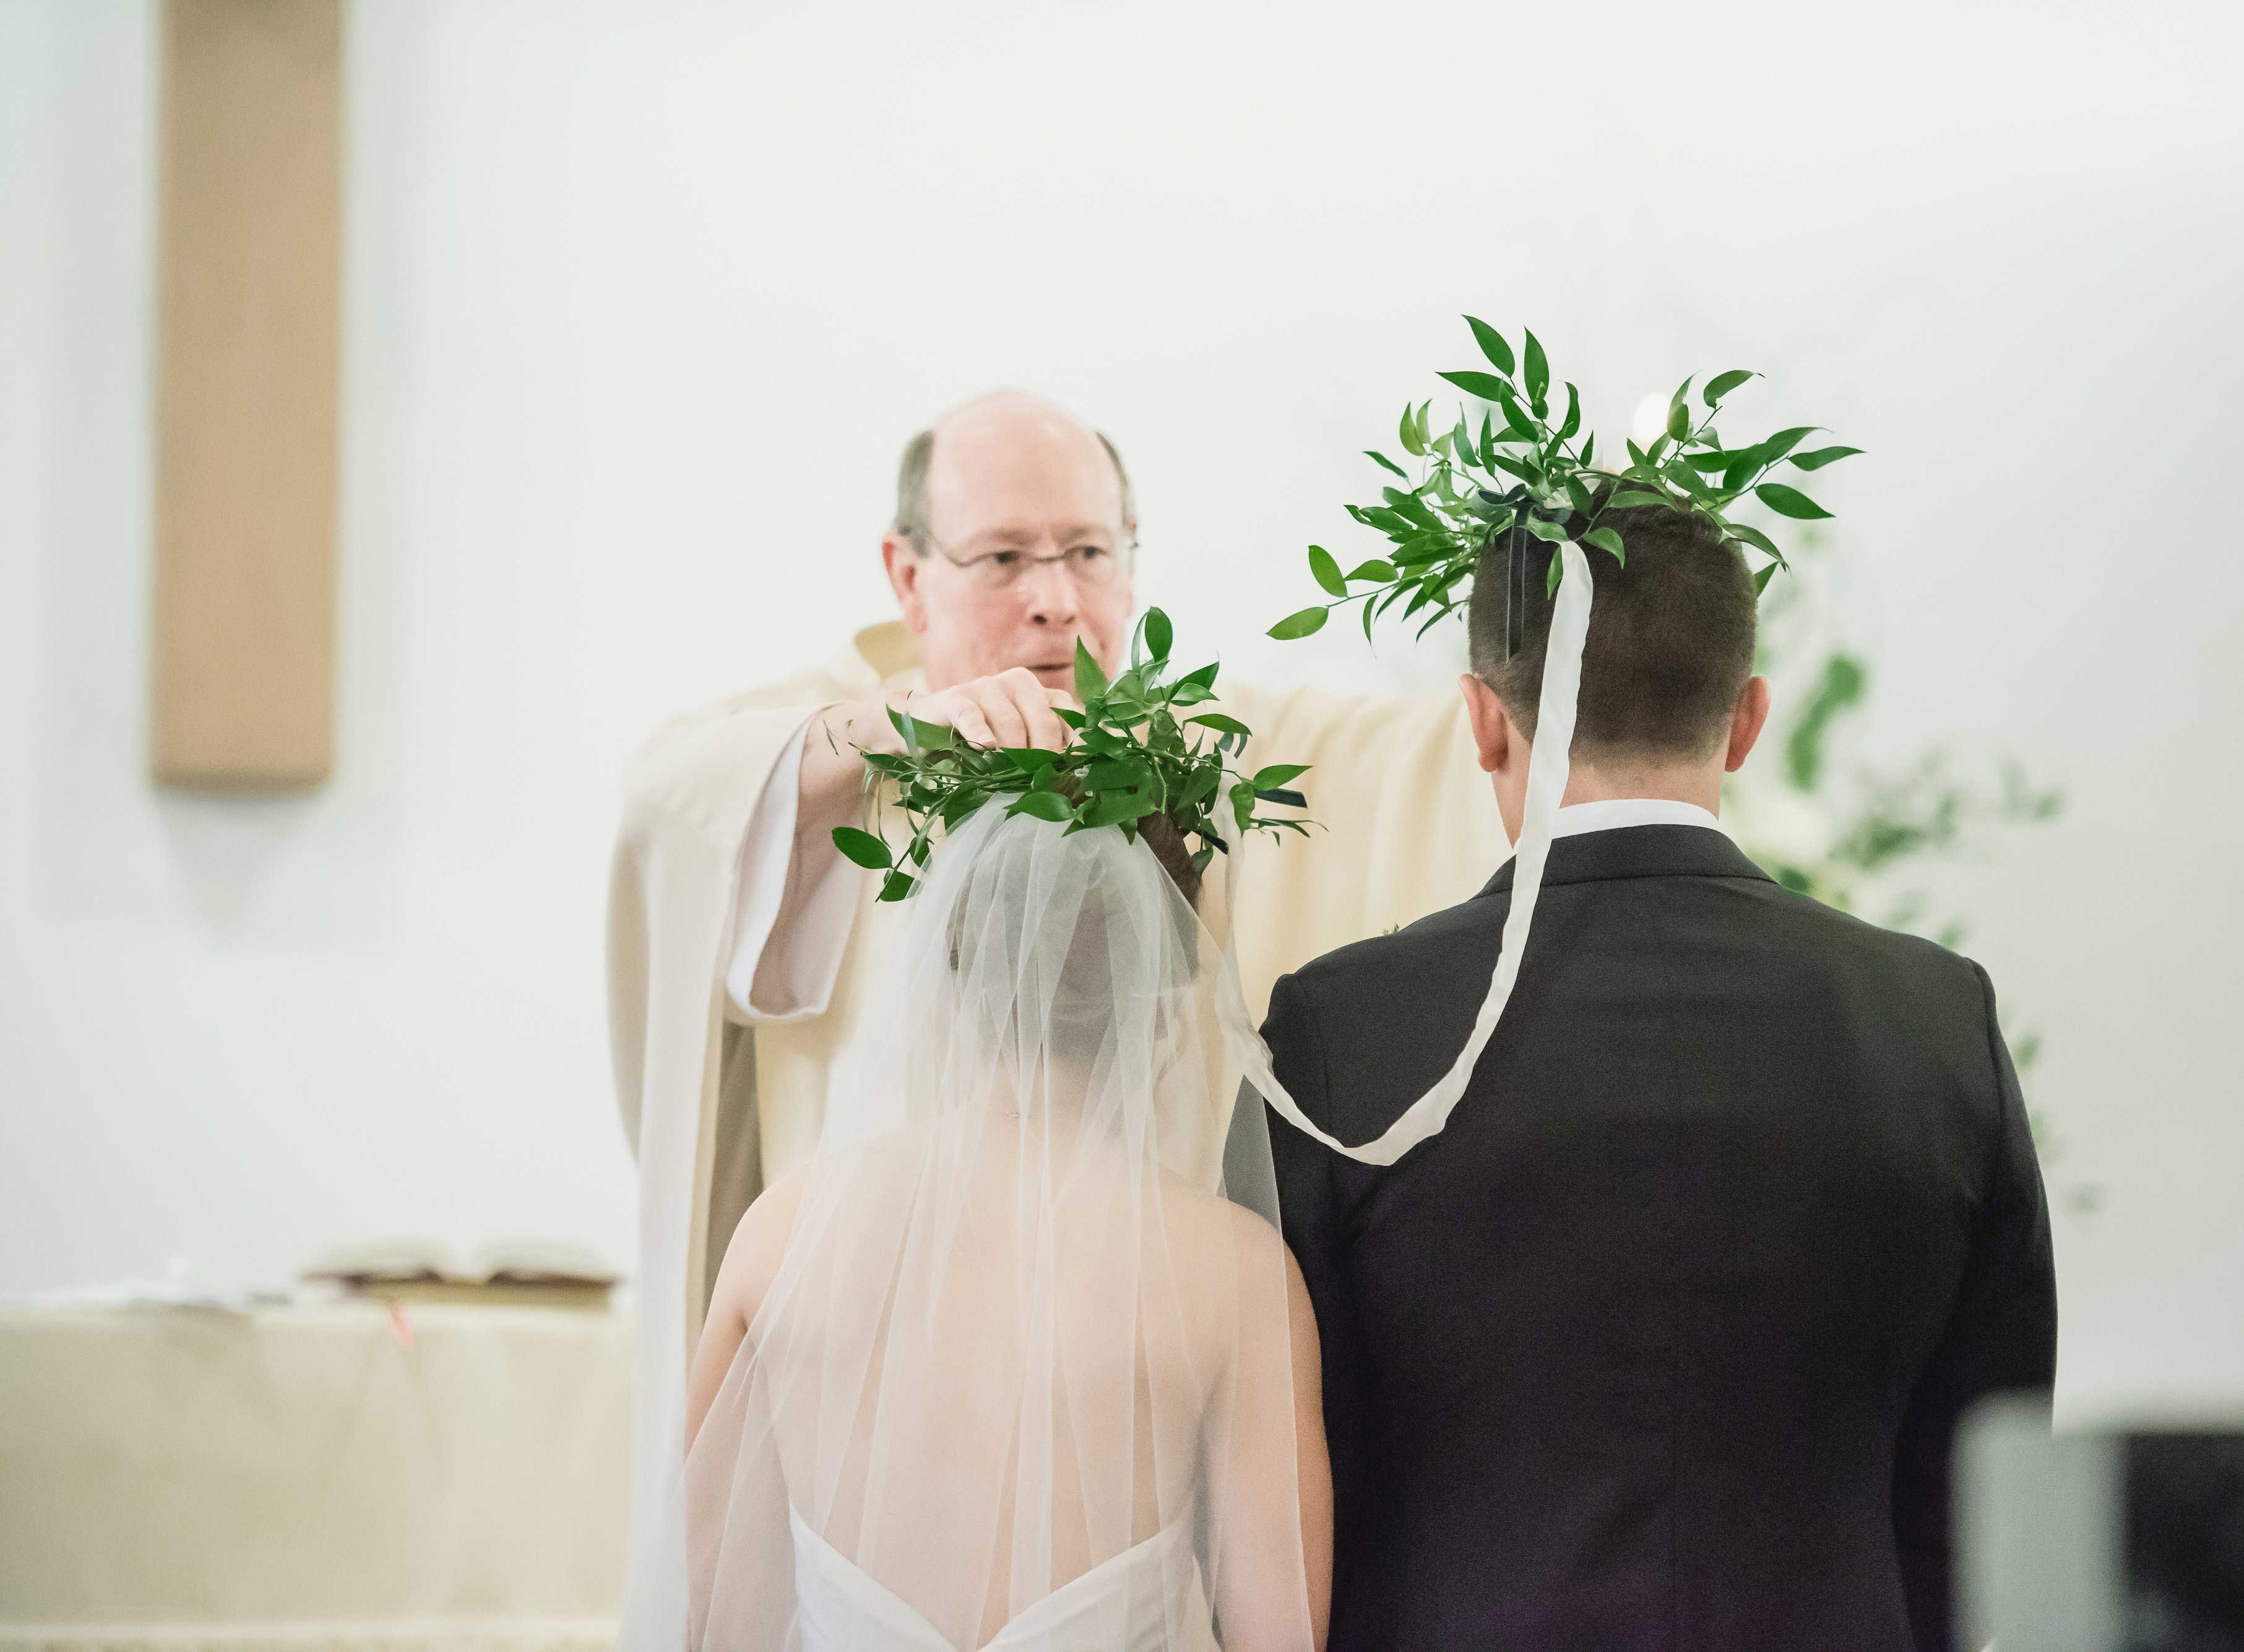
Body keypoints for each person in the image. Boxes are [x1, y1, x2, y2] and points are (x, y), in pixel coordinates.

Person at [606, 390, 1499, 1624]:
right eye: (1004, 559)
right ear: (904, 576)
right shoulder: (839, 738)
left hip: (1129, 1372)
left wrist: (1564, 651)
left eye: (1089, 551)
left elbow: (1436, 757)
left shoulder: (1205, 743)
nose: (1055, 598)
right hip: (859, 1392)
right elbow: (666, 802)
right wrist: (893, 732)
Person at [1261, 503, 2058, 1651]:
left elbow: (1297, 1467)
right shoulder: (1937, 1019)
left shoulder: (1344, 1028)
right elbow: (1990, 1478)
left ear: (1482, 721)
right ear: (1747, 719)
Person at [624, 803, 1332, 1651]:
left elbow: (711, 1624)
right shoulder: (1235, 1276)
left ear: (949, 965)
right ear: (1159, 992)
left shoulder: (782, 1238)